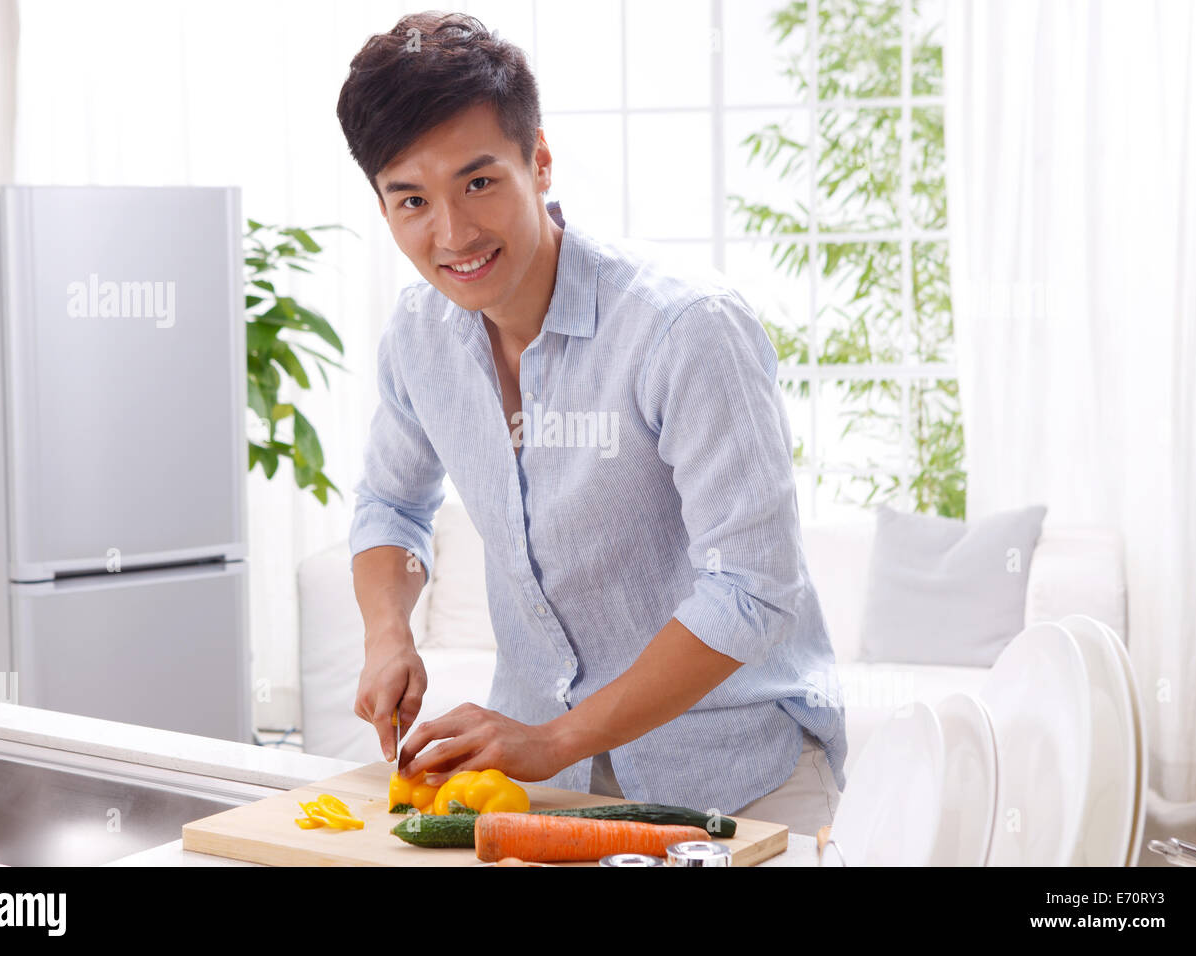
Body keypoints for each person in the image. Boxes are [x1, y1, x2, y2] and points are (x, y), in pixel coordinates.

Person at [336, 11, 846, 835]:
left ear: (538, 161)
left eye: (479, 182)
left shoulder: (684, 330)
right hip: (543, 788)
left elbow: (753, 588)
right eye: (412, 200)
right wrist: (388, 632)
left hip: (734, 779)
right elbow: (392, 507)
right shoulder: (417, 336)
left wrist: (553, 737)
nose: (453, 234)